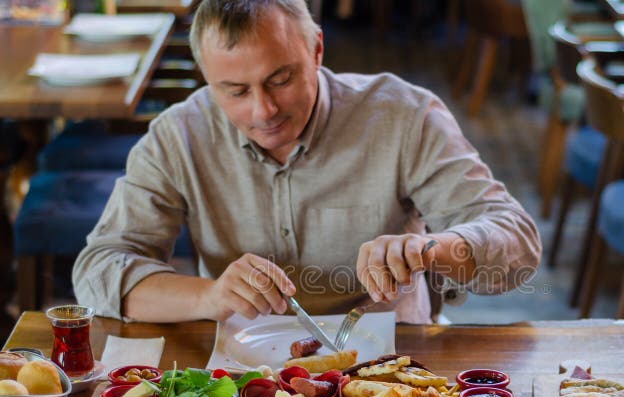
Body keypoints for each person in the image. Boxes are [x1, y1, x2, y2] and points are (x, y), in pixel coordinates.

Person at [72, 0, 541, 324]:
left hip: (394, 357)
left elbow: (517, 245)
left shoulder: (404, 115)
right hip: (241, 368)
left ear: (316, 50)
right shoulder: (179, 133)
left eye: (281, 79)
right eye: (234, 91)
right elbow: (97, 270)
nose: (263, 111)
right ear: (207, 79)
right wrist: (209, 296)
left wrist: (430, 249)